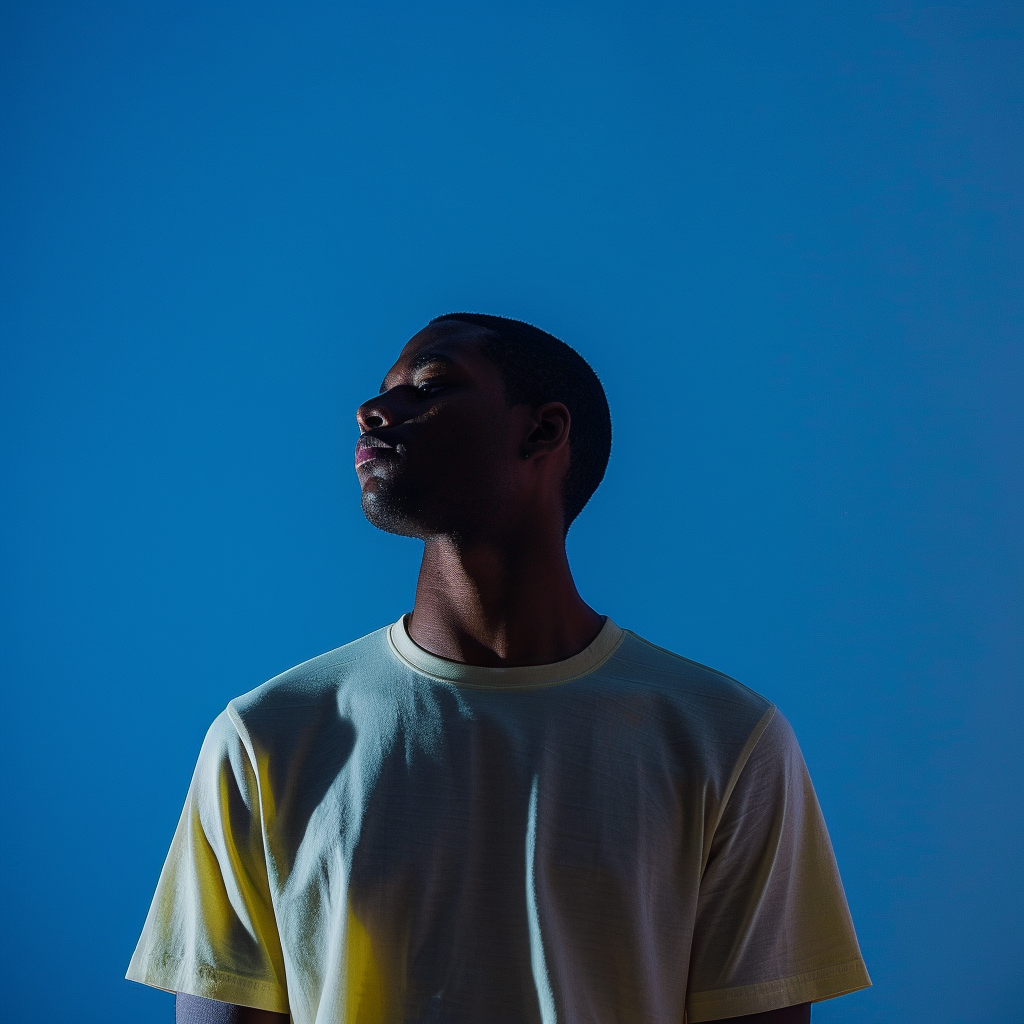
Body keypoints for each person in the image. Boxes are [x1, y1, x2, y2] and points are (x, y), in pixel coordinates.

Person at [127, 314, 871, 1024]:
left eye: (430, 384)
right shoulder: (266, 738)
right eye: (385, 387)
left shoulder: (726, 740)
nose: (372, 409)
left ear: (543, 430)